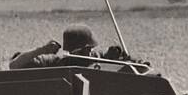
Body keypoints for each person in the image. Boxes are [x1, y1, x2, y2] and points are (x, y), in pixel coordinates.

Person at [8, 24, 140, 69]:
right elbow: (14, 65)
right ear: (71, 51)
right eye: (83, 50)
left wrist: (128, 61)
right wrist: (42, 50)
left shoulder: (103, 57)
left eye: (90, 48)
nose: (88, 52)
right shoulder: (59, 63)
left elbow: (142, 66)